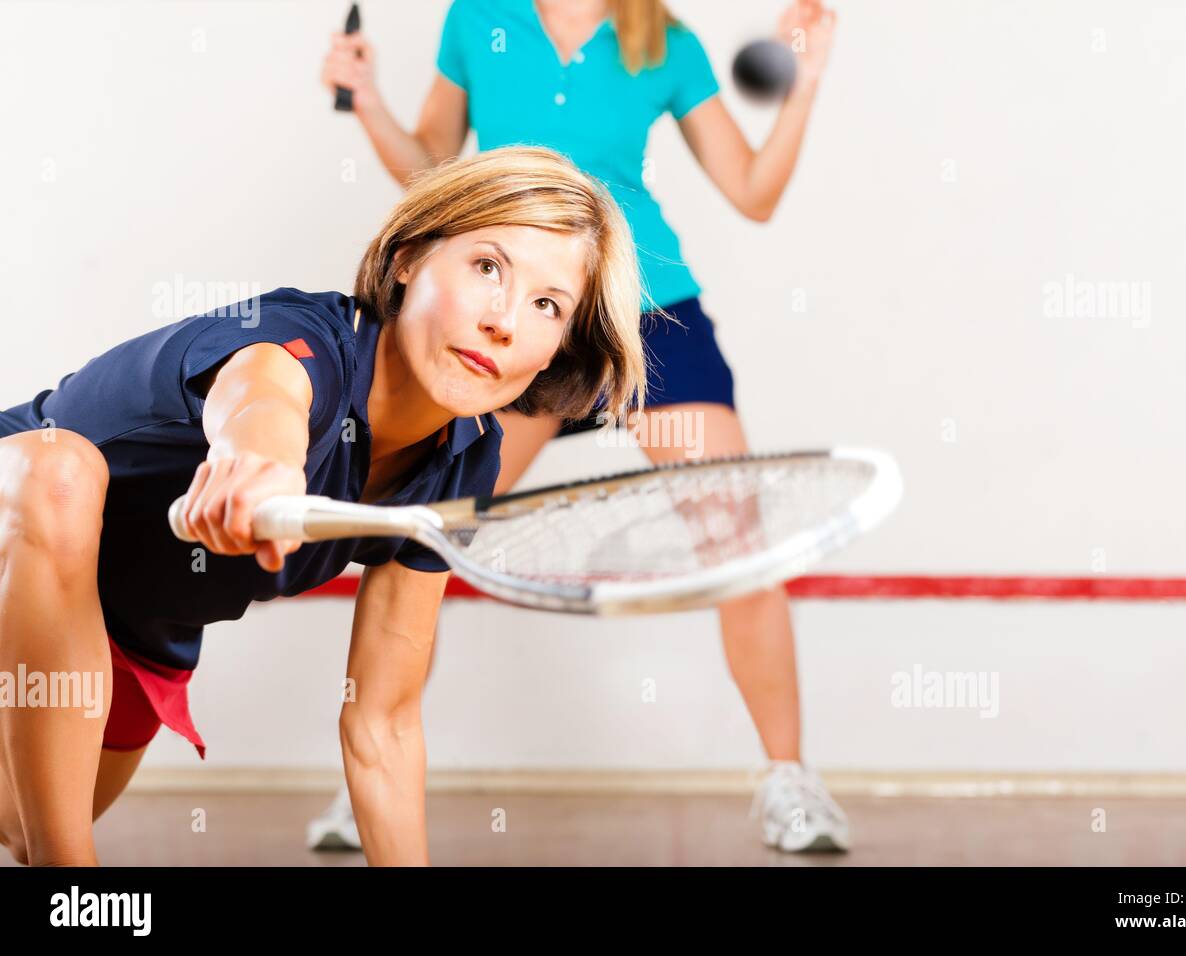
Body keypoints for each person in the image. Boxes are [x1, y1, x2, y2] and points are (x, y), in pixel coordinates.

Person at [0, 146, 645, 866]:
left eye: (547, 305)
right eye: (488, 267)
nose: (505, 321)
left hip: (131, 637)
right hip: (12, 534)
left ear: (558, 348)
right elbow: (262, 399)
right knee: (57, 471)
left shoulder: (463, 461)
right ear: (408, 258)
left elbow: (385, 720)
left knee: (23, 825)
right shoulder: (299, 342)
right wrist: (261, 464)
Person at [314, 0, 849, 852]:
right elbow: (431, 167)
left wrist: (805, 85)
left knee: (736, 538)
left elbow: (753, 192)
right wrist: (369, 98)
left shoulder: (664, 41)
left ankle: (789, 779)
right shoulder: (478, 22)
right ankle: (371, 775)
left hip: (651, 314)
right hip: (525, 323)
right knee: (432, 531)